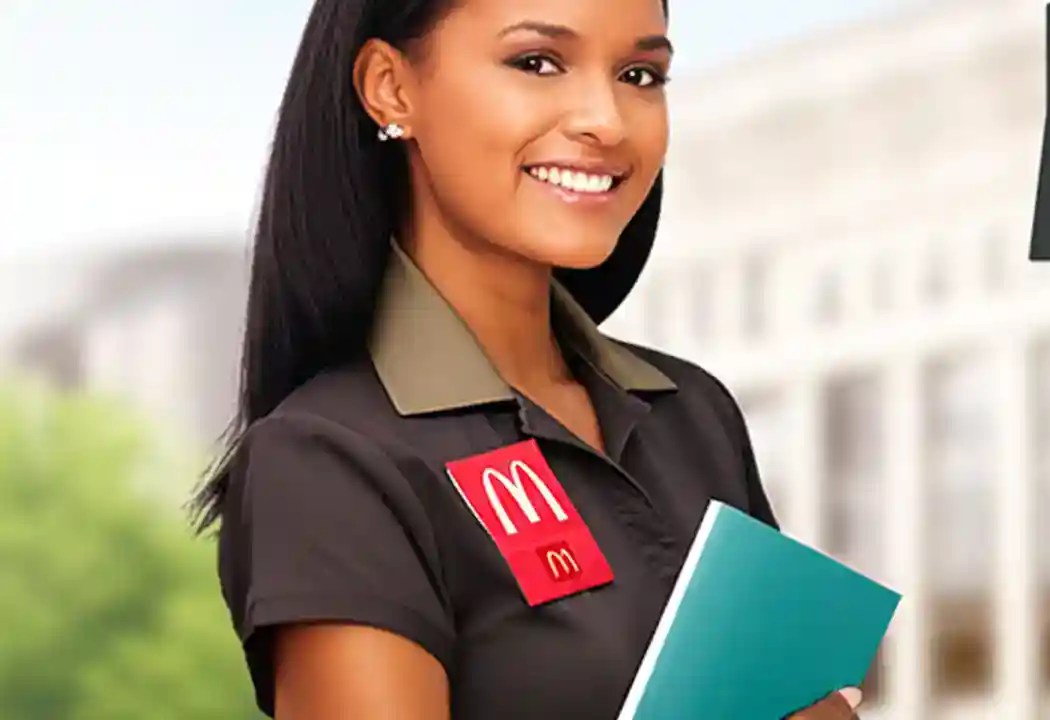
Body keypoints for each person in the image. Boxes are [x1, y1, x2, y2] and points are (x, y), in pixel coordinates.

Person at [186, 1, 864, 717]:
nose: (606, 120)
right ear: (391, 87)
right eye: (537, 63)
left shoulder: (692, 413)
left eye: (640, 74)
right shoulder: (330, 459)